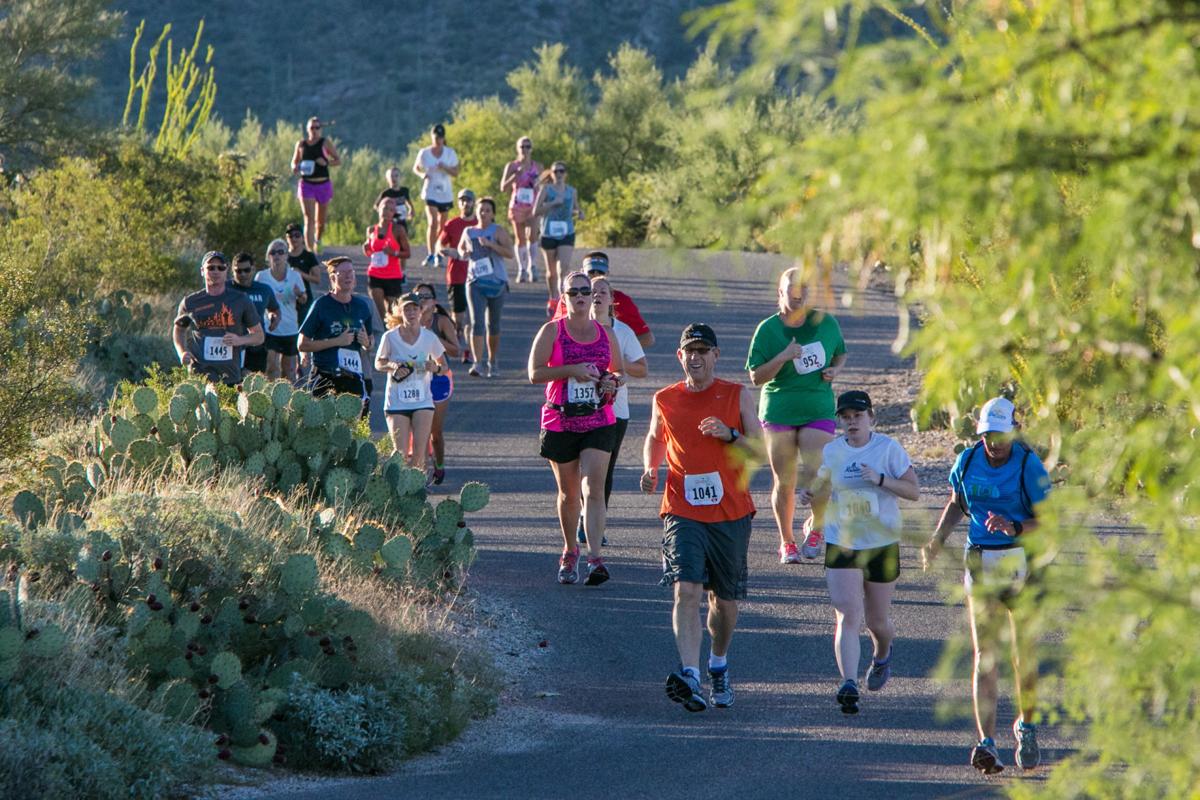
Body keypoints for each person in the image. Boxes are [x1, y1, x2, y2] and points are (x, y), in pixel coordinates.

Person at [921, 396, 1051, 774]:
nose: (993, 442)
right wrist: (938, 539)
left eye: (1001, 434)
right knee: (985, 656)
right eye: (988, 434)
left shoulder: (1029, 466)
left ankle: (1026, 727)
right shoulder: (967, 461)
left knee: (1023, 655)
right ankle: (987, 743)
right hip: (979, 562)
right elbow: (958, 503)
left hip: (1021, 563)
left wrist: (1014, 527)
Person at [641, 323, 757, 712]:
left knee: (723, 602)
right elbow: (656, 437)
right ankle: (690, 673)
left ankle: (717, 664)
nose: (696, 357)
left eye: (703, 350)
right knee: (685, 589)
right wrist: (651, 468)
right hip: (682, 509)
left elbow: (760, 450)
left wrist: (730, 435)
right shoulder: (665, 398)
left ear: (716, 356)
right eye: (690, 350)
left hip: (730, 512)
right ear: (680, 356)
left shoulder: (737, 395)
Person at [798, 390, 919, 715]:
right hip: (844, 541)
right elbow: (823, 484)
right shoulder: (833, 450)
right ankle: (848, 683)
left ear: (871, 418)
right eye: (846, 417)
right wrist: (811, 498)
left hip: (881, 543)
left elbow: (914, 491)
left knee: (876, 621)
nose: (852, 422)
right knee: (847, 613)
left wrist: (880, 479)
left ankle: (882, 654)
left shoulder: (887, 449)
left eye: (858, 416)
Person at [528, 270, 624, 587]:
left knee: (592, 489)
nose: (581, 297)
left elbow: (618, 372)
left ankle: (595, 557)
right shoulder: (551, 331)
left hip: (598, 418)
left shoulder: (606, 333)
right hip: (560, 419)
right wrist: (573, 370)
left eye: (585, 291)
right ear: (564, 297)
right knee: (569, 495)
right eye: (574, 292)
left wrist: (611, 381)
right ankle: (571, 550)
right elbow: (534, 373)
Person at [746, 267, 846, 564]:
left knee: (819, 470)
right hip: (780, 408)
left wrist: (835, 370)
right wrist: (782, 357)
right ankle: (786, 541)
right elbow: (755, 377)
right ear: (781, 294)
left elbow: (840, 353)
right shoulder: (767, 330)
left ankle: (816, 528)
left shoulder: (825, 323)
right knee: (785, 479)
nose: (798, 294)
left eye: (803, 289)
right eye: (792, 290)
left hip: (817, 406)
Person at [575, 275, 648, 546]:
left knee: (603, 471)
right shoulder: (574, 329)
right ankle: (583, 514)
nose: (596, 295)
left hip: (615, 411)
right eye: (591, 290)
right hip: (579, 408)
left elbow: (642, 368)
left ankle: (595, 524)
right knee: (581, 468)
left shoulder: (623, 332)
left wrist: (617, 371)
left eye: (602, 291)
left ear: (611, 299)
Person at [374, 295, 447, 473]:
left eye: (415, 308)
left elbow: (443, 366)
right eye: (407, 309)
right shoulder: (390, 337)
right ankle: (398, 492)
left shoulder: (429, 338)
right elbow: (378, 363)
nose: (411, 312)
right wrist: (392, 365)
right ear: (399, 312)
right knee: (400, 454)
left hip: (422, 401)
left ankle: (416, 493)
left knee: (419, 454)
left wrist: (435, 368)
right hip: (397, 400)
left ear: (421, 312)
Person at [297, 257, 375, 417]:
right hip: (325, 375)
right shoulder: (321, 305)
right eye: (344, 273)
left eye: (351, 272)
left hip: (353, 376)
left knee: (354, 430)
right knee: (322, 428)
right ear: (333, 277)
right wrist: (336, 342)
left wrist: (366, 342)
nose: (349, 276)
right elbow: (302, 344)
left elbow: (371, 343)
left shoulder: (362, 306)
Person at [173, 251, 264, 386]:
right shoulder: (190, 302)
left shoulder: (240, 300)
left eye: (220, 267)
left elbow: (259, 336)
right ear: (202, 271)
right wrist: (182, 352)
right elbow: (179, 330)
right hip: (199, 377)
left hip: (230, 377)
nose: (216, 271)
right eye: (211, 267)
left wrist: (240, 340)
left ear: (226, 271)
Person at [457, 196, 514, 378]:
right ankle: (477, 363)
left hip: (497, 282)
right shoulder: (469, 231)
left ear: (493, 214)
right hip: (475, 282)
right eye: (481, 210)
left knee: (494, 324)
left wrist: (491, 244)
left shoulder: (498, 231)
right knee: (477, 323)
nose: (483, 213)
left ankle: (492, 360)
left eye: (487, 210)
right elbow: (460, 249)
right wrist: (464, 252)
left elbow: (510, 253)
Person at [554, 251, 654, 349]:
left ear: (607, 273)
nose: (595, 275)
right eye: (591, 272)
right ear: (582, 272)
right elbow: (554, 334)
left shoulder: (621, 299)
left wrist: (615, 351)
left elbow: (647, 338)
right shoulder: (570, 297)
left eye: (600, 272)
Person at [414, 282, 460, 484]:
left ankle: (439, 464)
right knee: (417, 429)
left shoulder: (441, 322)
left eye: (426, 296)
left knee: (435, 432)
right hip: (415, 379)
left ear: (434, 301)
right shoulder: (407, 321)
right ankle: (419, 471)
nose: (423, 300)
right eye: (419, 296)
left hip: (440, 378)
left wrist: (433, 338)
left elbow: (456, 350)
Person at [533, 161, 582, 317]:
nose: (559, 174)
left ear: (565, 173)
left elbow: (575, 207)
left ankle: (562, 299)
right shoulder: (546, 190)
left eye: (562, 171)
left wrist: (580, 213)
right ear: (552, 174)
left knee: (564, 268)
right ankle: (552, 297)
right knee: (551, 272)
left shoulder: (571, 191)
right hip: (548, 233)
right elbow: (535, 211)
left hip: (567, 232)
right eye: (556, 171)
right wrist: (552, 203)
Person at [435, 188, 478, 364]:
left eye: (468, 200)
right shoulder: (452, 224)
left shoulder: (478, 223)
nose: (465, 203)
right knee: (458, 318)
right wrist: (451, 251)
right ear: (458, 203)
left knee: (472, 317)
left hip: (475, 276)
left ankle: (468, 350)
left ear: (473, 202)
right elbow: (439, 244)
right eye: (461, 200)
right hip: (456, 277)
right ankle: (456, 340)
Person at [255, 239, 307, 383]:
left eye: (280, 252)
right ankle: (270, 402)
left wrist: (299, 295)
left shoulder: (294, 276)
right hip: (269, 327)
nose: (276, 256)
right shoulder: (262, 277)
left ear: (286, 256)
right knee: (271, 366)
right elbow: (256, 300)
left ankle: (287, 403)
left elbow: (304, 299)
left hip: (290, 328)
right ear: (268, 256)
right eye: (273, 252)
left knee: (289, 371)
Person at [290, 117, 341, 252]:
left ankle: (318, 239)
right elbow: (294, 162)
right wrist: (295, 167)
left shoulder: (325, 143)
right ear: (307, 129)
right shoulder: (301, 144)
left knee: (321, 222)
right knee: (308, 219)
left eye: (317, 127)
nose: (314, 130)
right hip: (306, 185)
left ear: (321, 129)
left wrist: (326, 162)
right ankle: (310, 250)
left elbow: (338, 160)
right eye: (312, 127)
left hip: (323, 184)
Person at [412, 123, 460, 268]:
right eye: (435, 137)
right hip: (430, 191)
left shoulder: (449, 153)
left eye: (440, 137)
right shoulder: (424, 153)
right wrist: (422, 174)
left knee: (442, 225)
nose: (438, 140)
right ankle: (430, 253)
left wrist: (444, 166)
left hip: (445, 192)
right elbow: (416, 168)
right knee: (432, 222)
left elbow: (456, 173)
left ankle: (439, 253)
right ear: (432, 137)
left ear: (443, 138)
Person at [227, 251, 280, 375]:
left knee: (254, 385)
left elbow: (275, 309)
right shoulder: (225, 289)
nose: (243, 274)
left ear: (253, 269)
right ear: (232, 272)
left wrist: (274, 317)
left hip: (255, 345)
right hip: (231, 346)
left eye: (246, 270)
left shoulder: (264, 289)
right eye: (238, 271)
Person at [499, 136, 542, 283]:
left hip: (533, 206)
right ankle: (522, 269)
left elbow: (542, 187)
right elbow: (503, 187)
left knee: (533, 235)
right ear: (517, 148)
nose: (525, 149)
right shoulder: (511, 166)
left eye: (527, 146)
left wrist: (538, 185)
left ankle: (533, 266)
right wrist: (514, 176)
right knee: (520, 238)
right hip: (517, 206)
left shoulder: (538, 166)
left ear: (531, 149)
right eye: (522, 147)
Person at [362, 195, 411, 322]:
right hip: (375, 274)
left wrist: (393, 252)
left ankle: (392, 337)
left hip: (393, 276)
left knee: (393, 313)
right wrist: (366, 249)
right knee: (380, 313)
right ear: (378, 209)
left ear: (393, 213)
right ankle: (381, 337)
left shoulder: (398, 230)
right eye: (384, 208)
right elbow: (370, 252)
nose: (387, 212)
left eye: (390, 210)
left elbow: (407, 253)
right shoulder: (371, 229)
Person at [377, 166, 416, 237]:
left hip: (402, 219)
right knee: (392, 238)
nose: (393, 178)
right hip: (390, 221)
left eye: (396, 176)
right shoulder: (386, 193)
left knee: (404, 237)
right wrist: (385, 213)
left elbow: (409, 202)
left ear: (400, 177)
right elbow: (377, 206)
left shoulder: (404, 191)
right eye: (391, 176)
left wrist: (411, 209)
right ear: (387, 179)